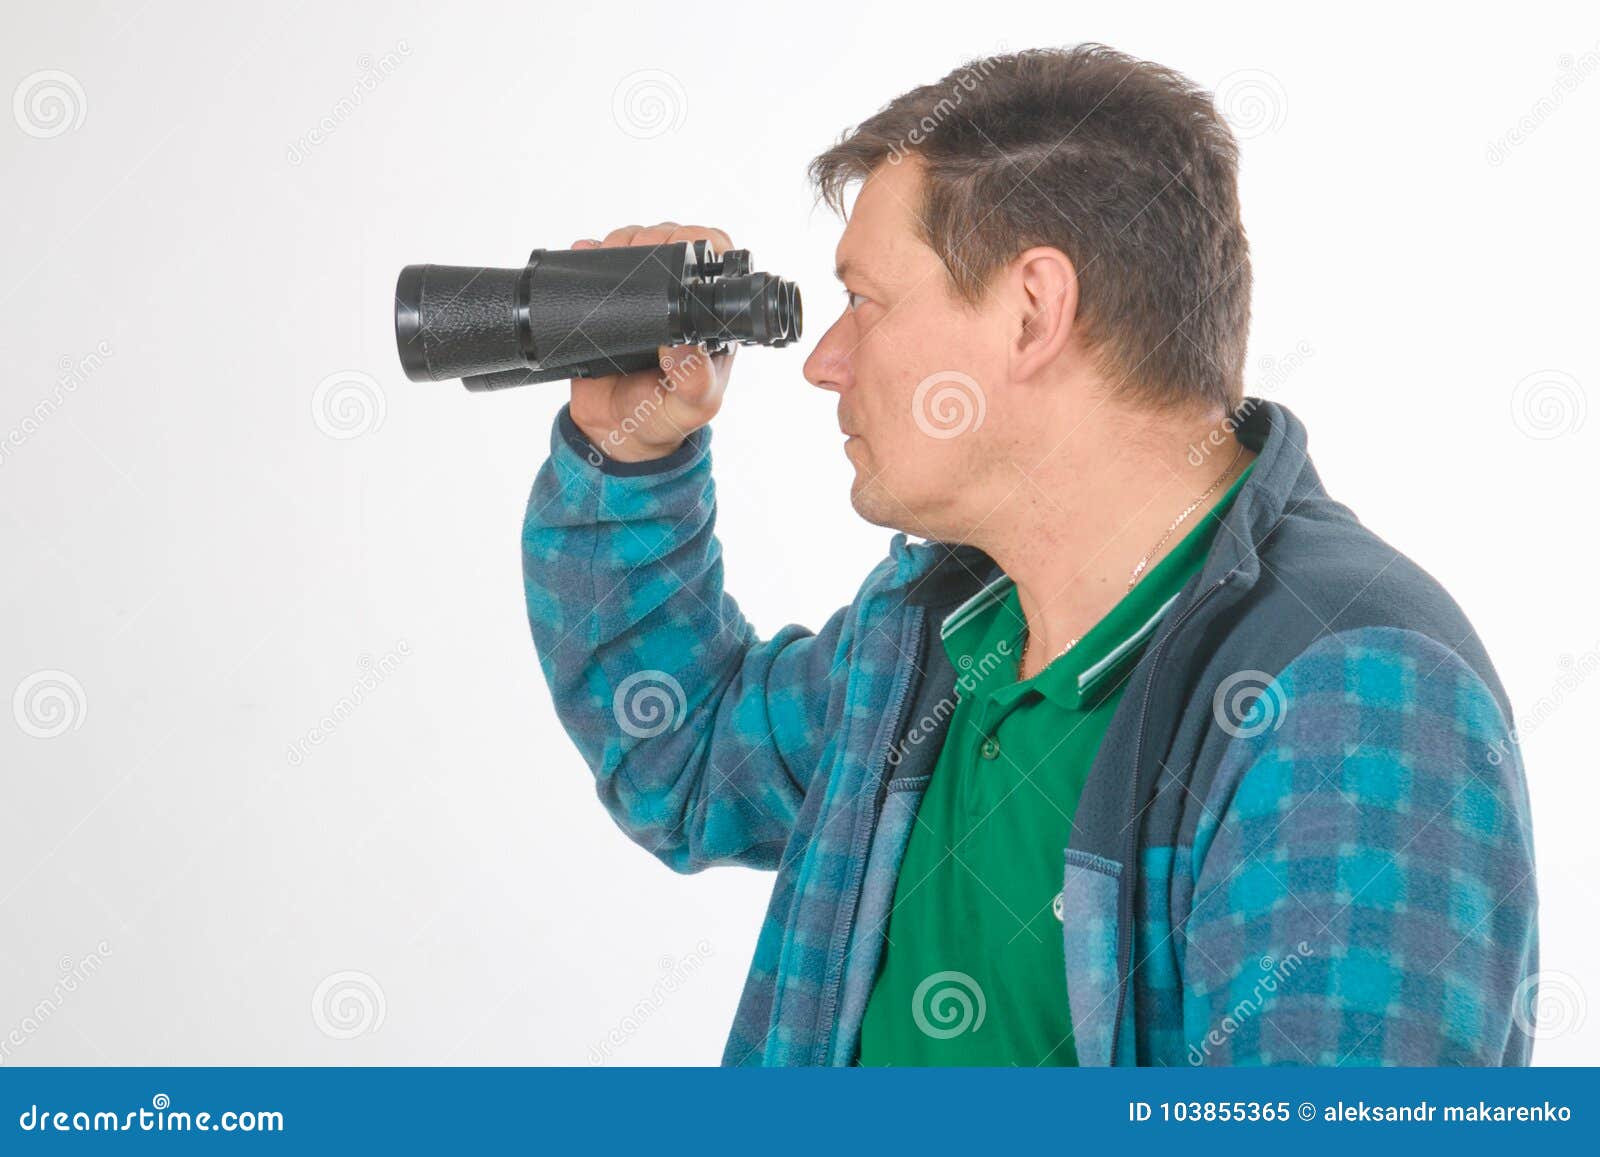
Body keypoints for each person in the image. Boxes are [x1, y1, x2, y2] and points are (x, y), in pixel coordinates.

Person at [521, 44, 1537, 1066]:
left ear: (1031, 312)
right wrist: (629, 455)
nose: (825, 363)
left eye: (865, 300)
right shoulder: (935, 631)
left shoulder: (1348, 694)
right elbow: (688, 755)